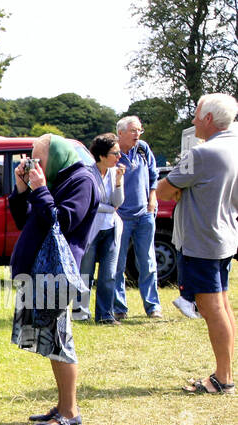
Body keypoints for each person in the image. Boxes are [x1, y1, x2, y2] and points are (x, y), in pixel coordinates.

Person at [9, 134, 101, 425]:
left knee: (61, 341)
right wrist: (23, 190)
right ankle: (62, 405)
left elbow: (62, 222)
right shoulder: (56, 180)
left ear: (57, 157)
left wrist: (40, 189)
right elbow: (25, 221)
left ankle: (70, 412)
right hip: (39, 271)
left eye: (39, 159)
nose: (34, 164)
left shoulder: (82, 181)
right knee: (50, 341)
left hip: (57, 272)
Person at [155, 93, 238, 395]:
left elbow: (163, 190)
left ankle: (223, 378)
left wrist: (179, 192)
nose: (192, 120)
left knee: (211, 307)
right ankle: (225, 372)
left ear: (207, 119)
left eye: (196, 114)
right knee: (223, 305)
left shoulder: (202, 154)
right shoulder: (234, 148)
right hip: (224, 236)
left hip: (201, 241)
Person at [110, 115, 162, 320]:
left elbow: (153, 175)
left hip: (144, 214)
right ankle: (119, 308)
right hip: (121, 216)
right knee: (118, 263)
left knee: (148, 261)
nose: (137, 134)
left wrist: (152, 199)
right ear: (120, 133)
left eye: (139, 130)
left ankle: (153, 307)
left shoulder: (142, 148)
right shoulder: (112, 152)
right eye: (133, 131)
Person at [72, 133, 126, 324]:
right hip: (91, 230)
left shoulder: (115, 172)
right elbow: (90, 203)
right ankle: (80, 312)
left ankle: (105, 315)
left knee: (109, 274)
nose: (119, 157)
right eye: (115, 153)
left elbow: (119, 202)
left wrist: (119, 182)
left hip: (111, 228)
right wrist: (110, 207)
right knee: (85, 273)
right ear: (102, 155)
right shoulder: (87, 174)